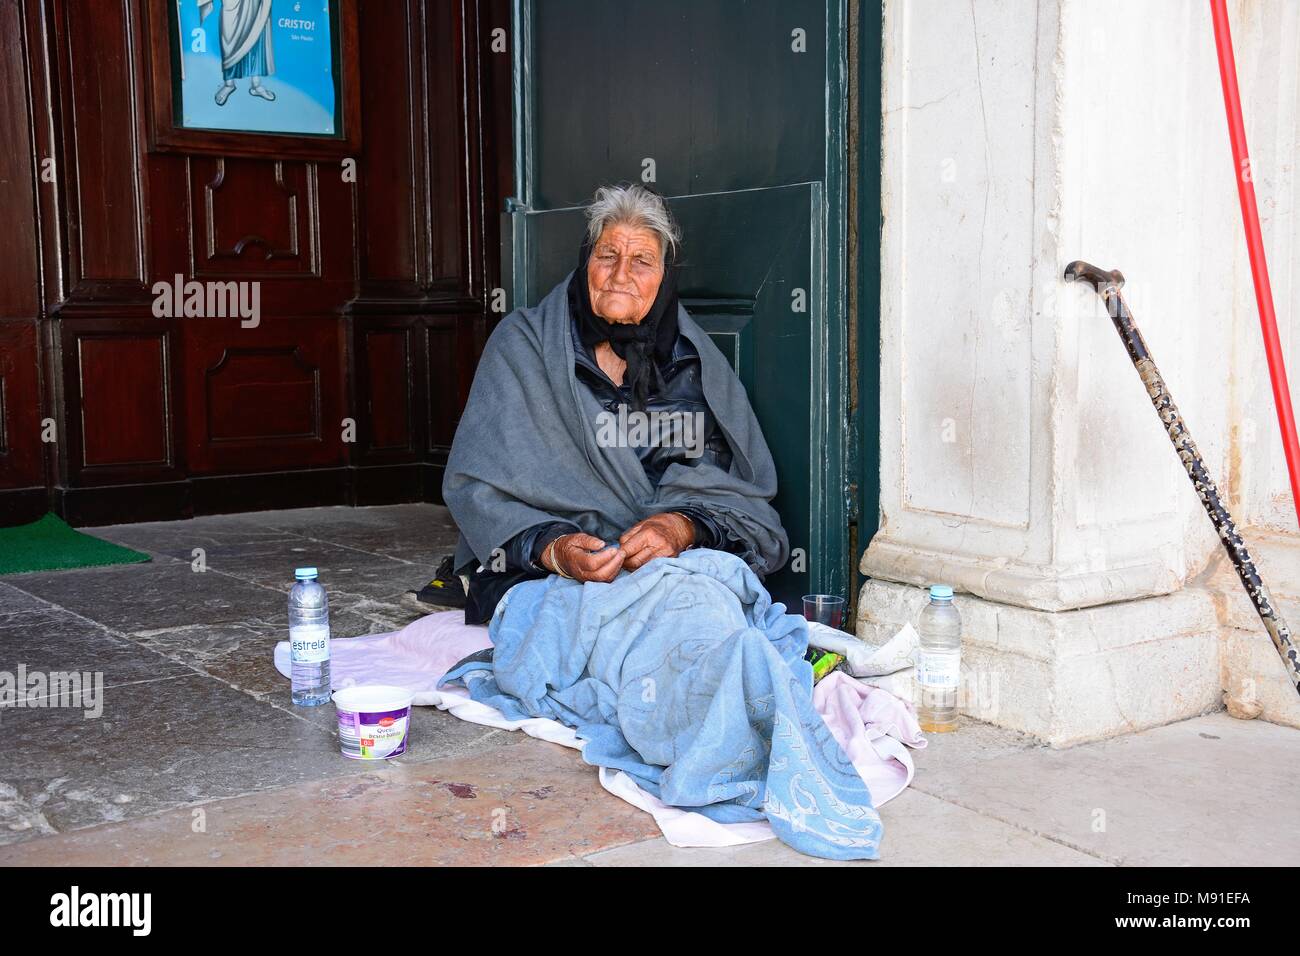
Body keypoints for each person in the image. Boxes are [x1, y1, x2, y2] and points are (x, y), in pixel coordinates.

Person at [443, 183, 789, 623]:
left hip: (667, 569)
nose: (621, 273)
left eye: (642, 261)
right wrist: (554, 550)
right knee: (576, 622)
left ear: (666, 277)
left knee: (702, 606)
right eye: (607, 256)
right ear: (585, 263)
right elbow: (477, 489)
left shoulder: (692, 363)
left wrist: (681, 526)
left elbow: (738, 496)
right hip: (550, 576)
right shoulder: (522, 346)